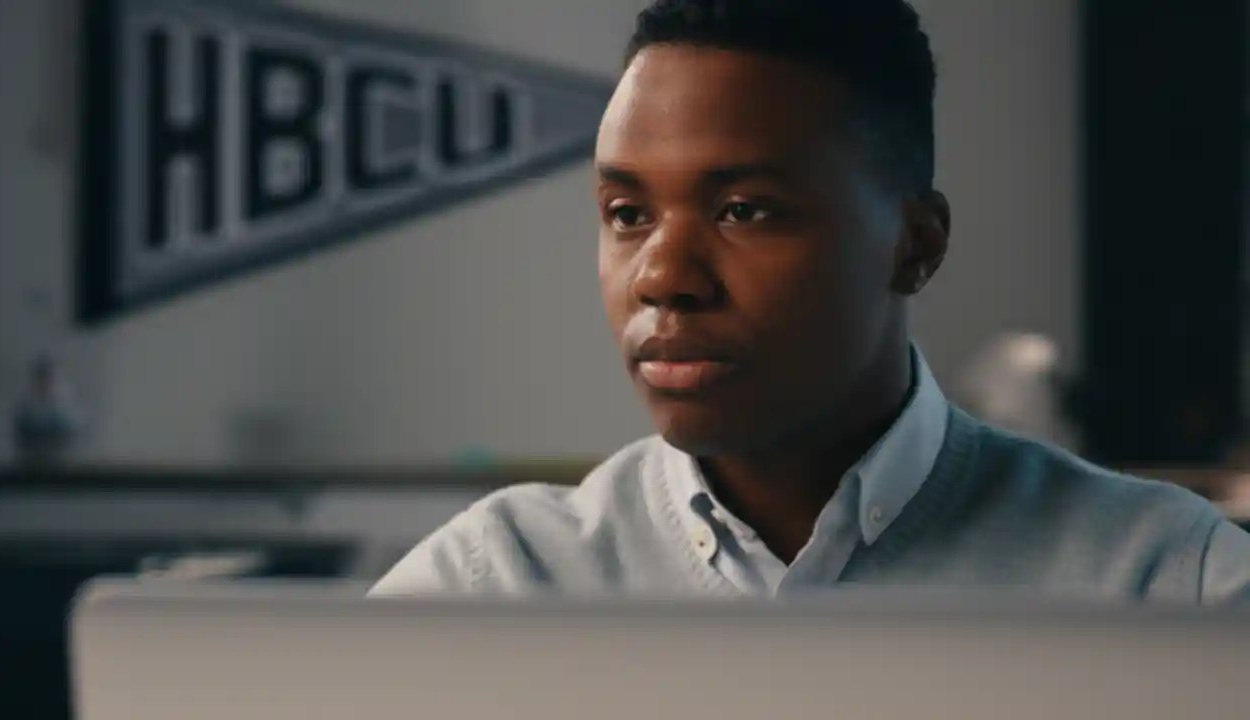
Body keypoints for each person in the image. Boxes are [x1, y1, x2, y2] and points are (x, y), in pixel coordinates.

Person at [372, 0, 1250, 601]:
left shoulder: (1166, 581)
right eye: (627, 213)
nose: (662, 275)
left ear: (916, 244)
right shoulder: (497, 581)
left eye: (743, 210)